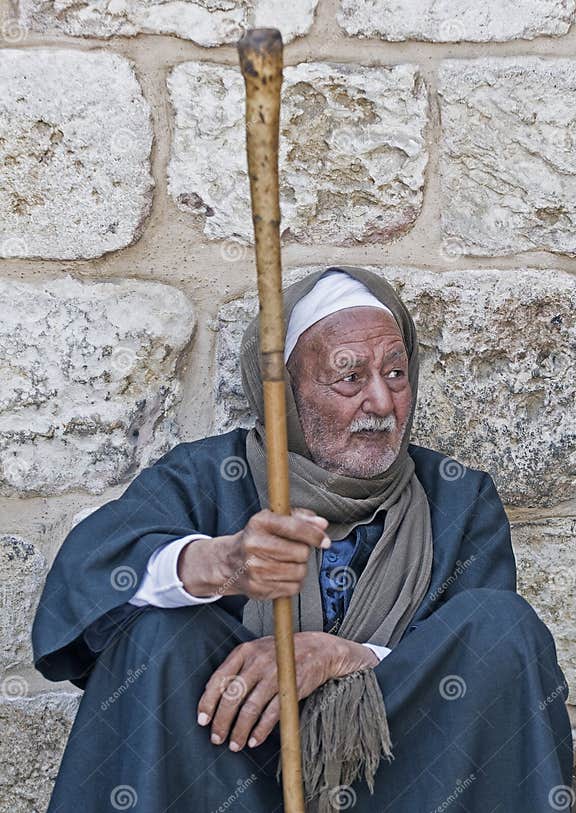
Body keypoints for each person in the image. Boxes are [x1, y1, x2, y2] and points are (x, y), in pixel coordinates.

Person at [32, 266, 573, 813]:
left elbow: (486, 674)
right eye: (350, 377)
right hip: (226, 769)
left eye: (396, 373)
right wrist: (217, 563)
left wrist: (342, 657)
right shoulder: (209, 477)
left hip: (405, 774)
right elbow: (83, 584)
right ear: (286, 394)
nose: (382, 402)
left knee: (502, 625)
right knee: (157, 633)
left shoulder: (456, 499)